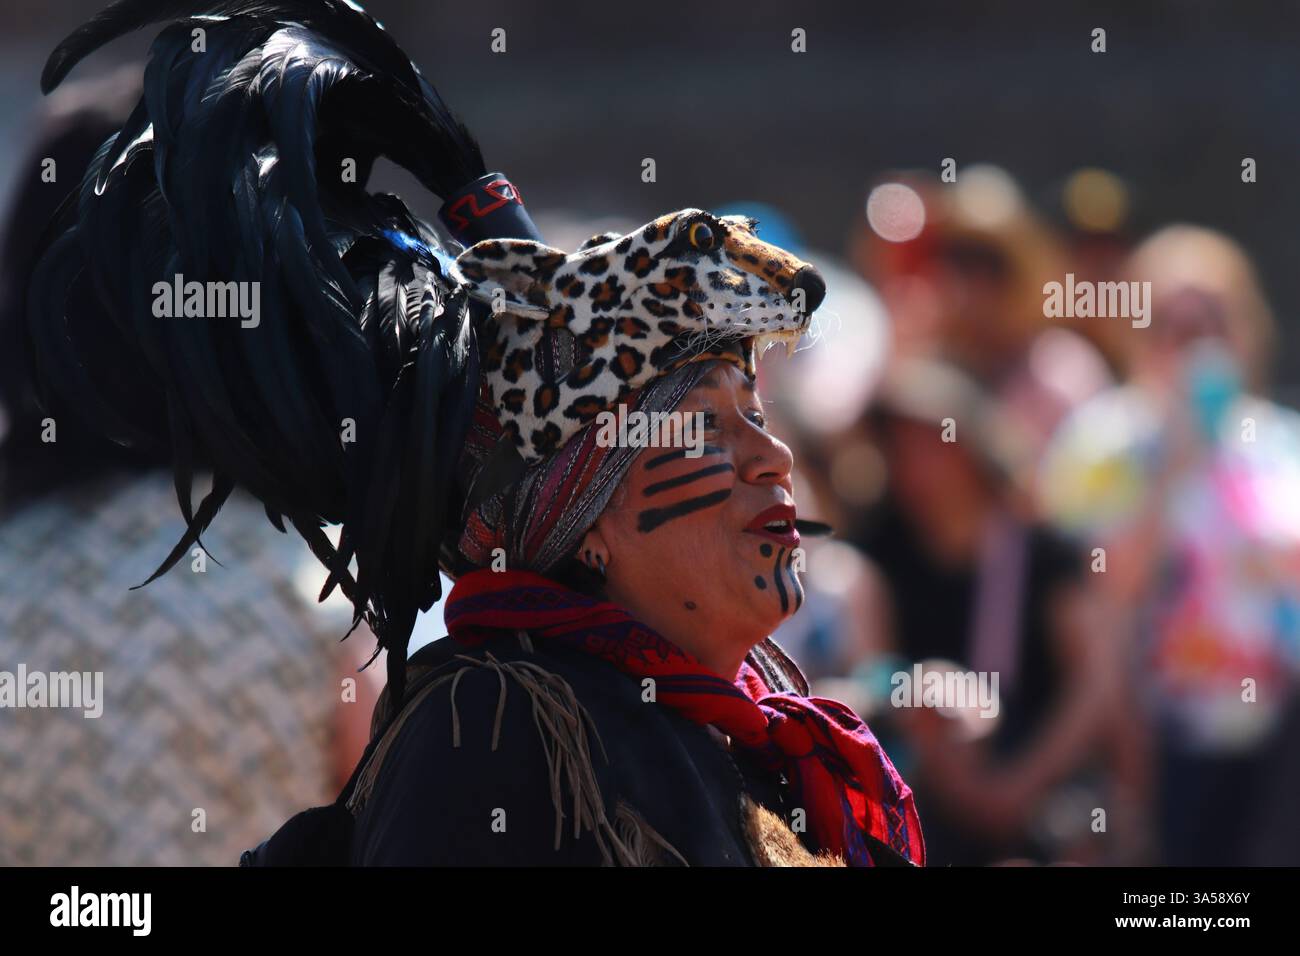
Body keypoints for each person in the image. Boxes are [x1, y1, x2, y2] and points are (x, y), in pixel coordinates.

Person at [30, 0, 923, 867]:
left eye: (758, 418)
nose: (773, 458)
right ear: (586, 516)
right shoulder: (498, 730)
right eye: (705, 429)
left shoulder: (748, 731)